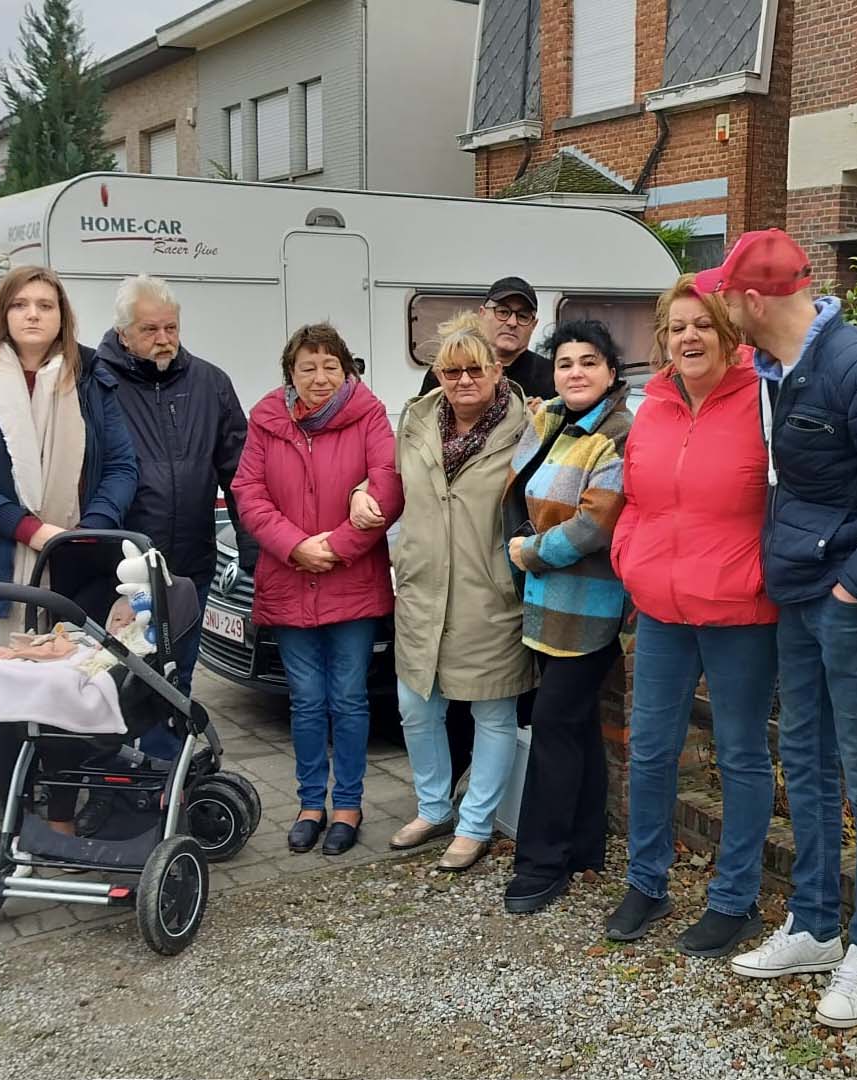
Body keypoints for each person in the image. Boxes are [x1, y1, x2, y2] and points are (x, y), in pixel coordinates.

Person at [700, 230, 857, 1029]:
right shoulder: (777, 371)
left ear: (752, 300)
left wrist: (853, 586)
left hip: (849, 605)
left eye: (725, 295)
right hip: (800, 594)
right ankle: (813, 924)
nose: (719, 308)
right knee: (804, 759)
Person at [0, 265, 138, 833]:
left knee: (65, 691)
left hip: (77, 566)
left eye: (46, 304)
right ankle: (15, 824)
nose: (33, 314)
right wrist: (24, 527)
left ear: (62, 316)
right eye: (21, 304)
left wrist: (90, 530)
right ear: (4, 312)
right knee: (10, 698)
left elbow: (122, 465)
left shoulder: (91, 376)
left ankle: (61, 822)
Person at [604, 274, 779, 956]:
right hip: (661, 609)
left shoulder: (764, 398)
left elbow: (787, 501)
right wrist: (630, 558)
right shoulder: (653, 405)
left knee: (740, 755)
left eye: (703, 324)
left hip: (740, 609)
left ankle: (735, 900)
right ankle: (646, 882)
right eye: (677, 327)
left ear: (729, 330)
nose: (689, 337)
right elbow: (636, 498)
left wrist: (762, 574)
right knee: (650, 750)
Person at [232, 323, 402, 856]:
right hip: (289, 579)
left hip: (352, 583)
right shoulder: (266, 418)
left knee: (348, 699)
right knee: (305, 702)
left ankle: (348, 805)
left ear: (347, 370)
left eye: (331, 366)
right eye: (307, 367)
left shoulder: (369, 414)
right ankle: (310, 804)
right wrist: (296, 546)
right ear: (291, 373)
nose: (320, 377)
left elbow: (388, 485)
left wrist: (337, 547)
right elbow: (248, 492)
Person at [499, 319, 634, 914]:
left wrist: (531, 551)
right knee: (575, 727)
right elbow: (517, 486)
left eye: (588, 362)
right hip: (542, 606)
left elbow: (595, 525)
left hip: (588, 609)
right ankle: (584, 845)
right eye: (564, 363)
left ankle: (540, 863)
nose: (575, 373)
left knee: (553, 725)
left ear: (611, 371)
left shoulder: (618, 434)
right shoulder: (549, 420)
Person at [390, 316, 534, 872]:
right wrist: (360, 492)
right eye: (452, 371)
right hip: (424, 589)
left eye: (475, 369)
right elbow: (390, 482)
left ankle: (475, 824)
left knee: (492, 711)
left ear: (497, 371)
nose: (464, 380)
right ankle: (433, 808)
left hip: (487, 591)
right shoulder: (416, 420)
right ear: (438, 374)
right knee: (416, 707)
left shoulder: (526, 426)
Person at [94, 274, 251, 698]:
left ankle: (173, 742)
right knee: (120, 681)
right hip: (119, 570)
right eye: (149, 329)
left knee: (178, 679)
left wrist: (252, 548)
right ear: (123, 333)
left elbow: (239, 471)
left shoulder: (210, 383)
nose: (164, 339)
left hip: (188, 568)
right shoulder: (96, 383)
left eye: (171, 328)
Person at [417, 276, 556, 402]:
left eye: (523, 316)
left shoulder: (552, 376)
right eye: (502, 312)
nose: (512, 322)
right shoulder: (449, 368)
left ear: (533, 325)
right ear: (482, 314)